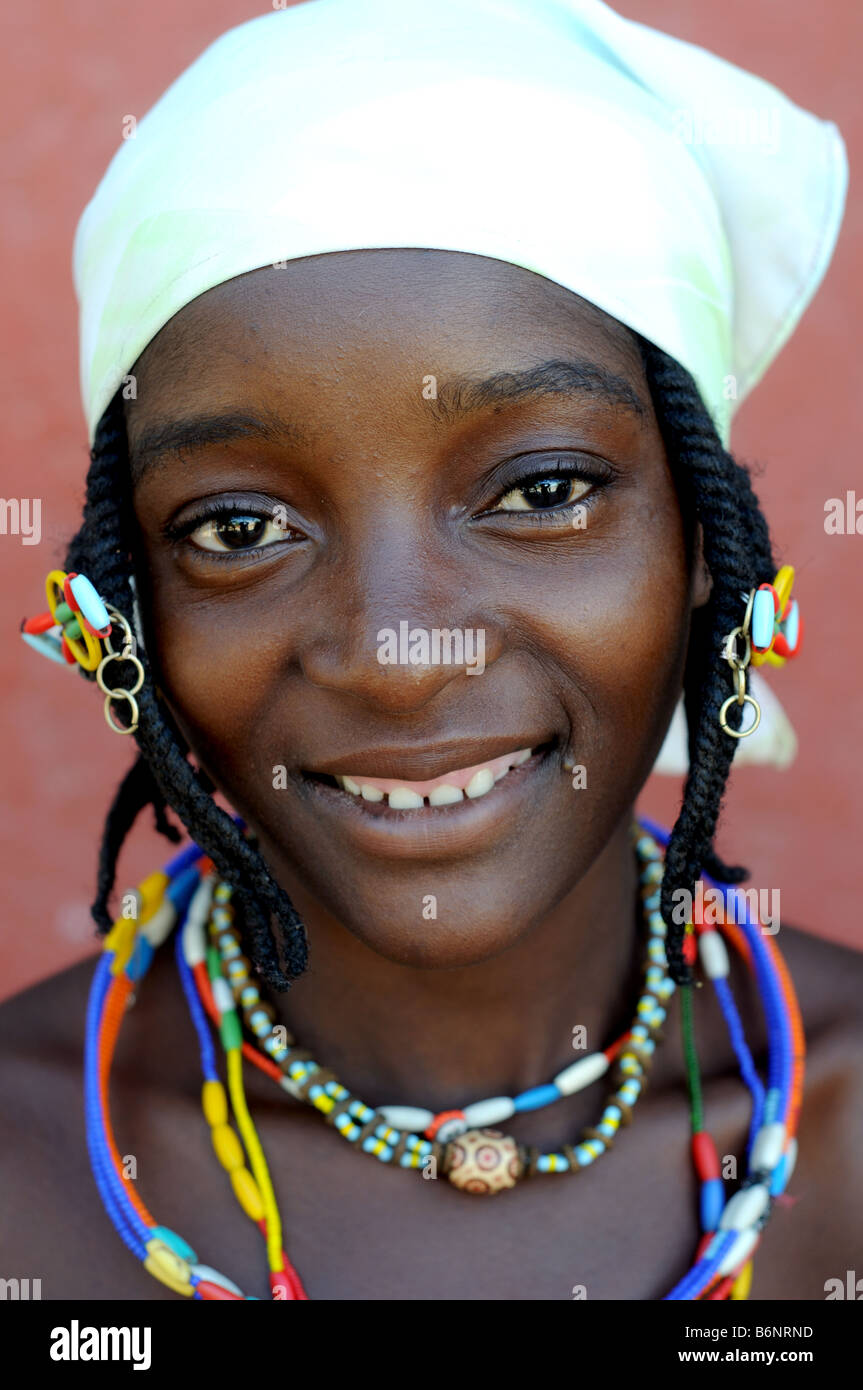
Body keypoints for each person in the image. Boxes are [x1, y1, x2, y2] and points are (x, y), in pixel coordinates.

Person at [3, 0, 862, 1302]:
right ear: (124, 606)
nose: (396, 654)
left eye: (541, 488)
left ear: (705, 539)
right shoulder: (30, 1164)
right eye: (241, 525)